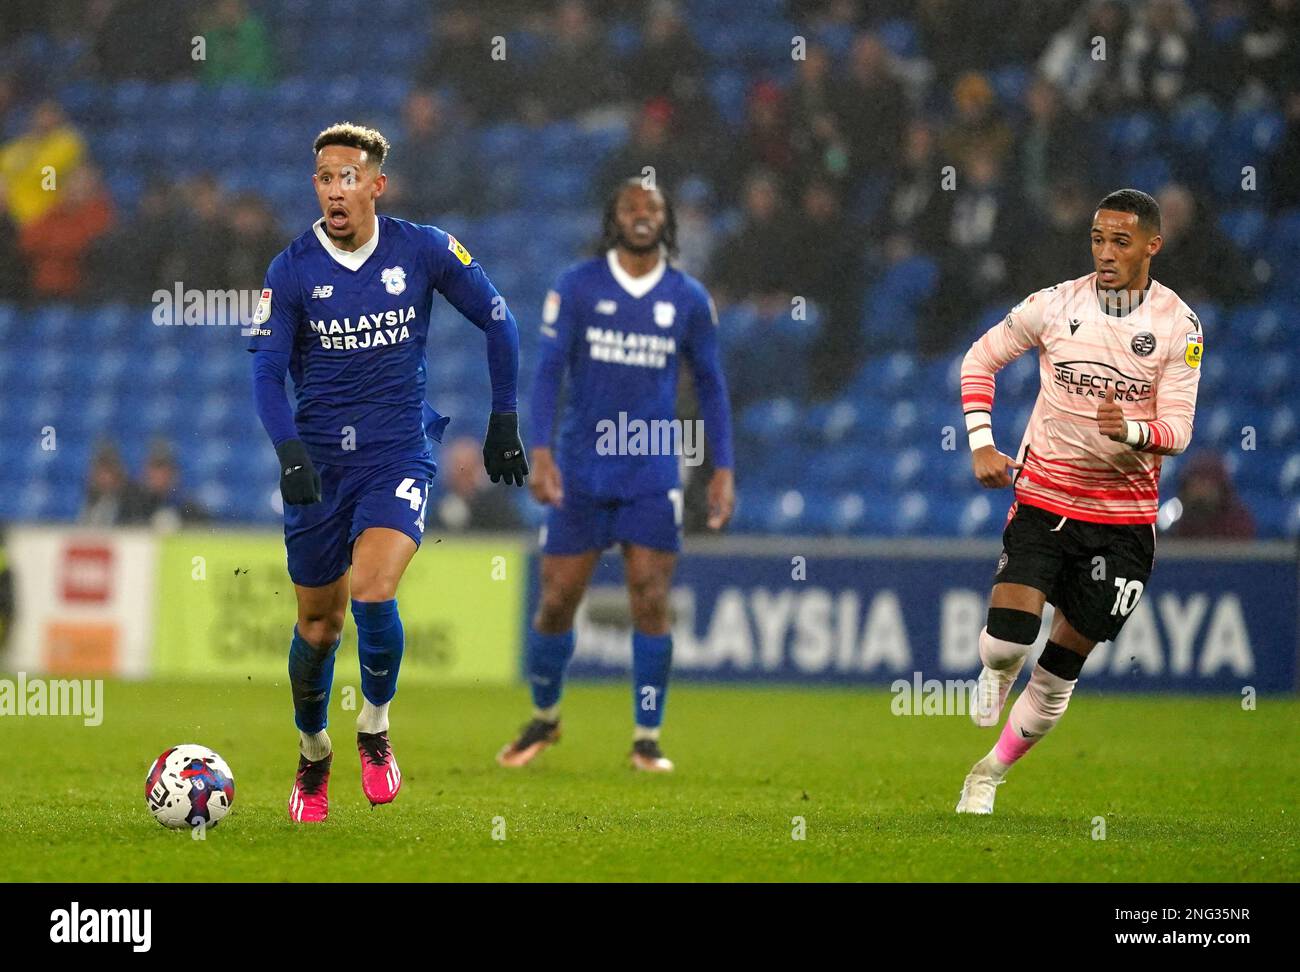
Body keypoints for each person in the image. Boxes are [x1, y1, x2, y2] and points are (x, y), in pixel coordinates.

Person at [249, 123, 528, 823]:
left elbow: (500, 320)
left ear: (377, 185)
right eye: (323, 177)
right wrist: (289, 452)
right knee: (318, 624)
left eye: (347, 176)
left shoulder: (423, 248)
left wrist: (504, 422)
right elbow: (264, 371)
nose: (334, 189)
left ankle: (374, 725)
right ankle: (314, 754)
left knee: (374, 590)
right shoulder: (290, 269)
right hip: (320, 463)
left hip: (397, 453)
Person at [955, 188, 1202, 814]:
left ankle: (985, 776)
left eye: (1121, 241)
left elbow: (1178, 430)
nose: (1106, 253)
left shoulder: (1179, 326)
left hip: (1122, 524)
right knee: (1010, 642)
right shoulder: (1054, 305)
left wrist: (1134, 432)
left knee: (1060, 672)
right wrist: (982, 444)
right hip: (1045, 497)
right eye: (1097, 239)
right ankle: (996, 670)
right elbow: (979, 359)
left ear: (1153, 244)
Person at [497, 179, 735, 772]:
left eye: (653, 207)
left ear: (666, 220)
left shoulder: (687, 297)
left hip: (653, 464)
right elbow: (549, 371)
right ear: (614, 217)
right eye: (630, 206)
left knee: (651, 597)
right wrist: (543, 451)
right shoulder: (577, 286)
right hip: (581, 465)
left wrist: (723, 467)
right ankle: (545, 719)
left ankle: (646, 739)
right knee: (557, 600)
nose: (642, 215)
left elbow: (711, 385)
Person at [435, 436, 524, 532]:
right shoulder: (442, 506)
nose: (463, 481)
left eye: (468, 473)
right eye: (459, 474)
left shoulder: (496, 505)